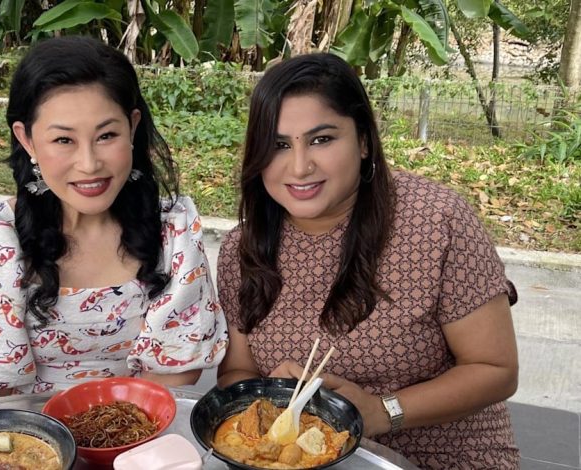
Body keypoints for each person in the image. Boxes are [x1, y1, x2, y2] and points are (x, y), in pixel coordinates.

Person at [215, 52, 519, 468]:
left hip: (444, 454)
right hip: (302, 458)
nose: (300, 166)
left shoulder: (435, 220)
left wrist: (381, 410)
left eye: (322, 139)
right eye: (279, 145)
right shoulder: (243, 248)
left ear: (363, 141)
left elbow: (495, 368)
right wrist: (270, 393)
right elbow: (236, 374)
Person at [0, 36, 228, 403]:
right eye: (64, 140)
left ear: (133, 127)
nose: (90, 164)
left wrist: (108, 439)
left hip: (138, 431)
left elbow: (176, 370)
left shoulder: (172, 233)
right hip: (31, 439)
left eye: (107, 135)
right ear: (27, 140)